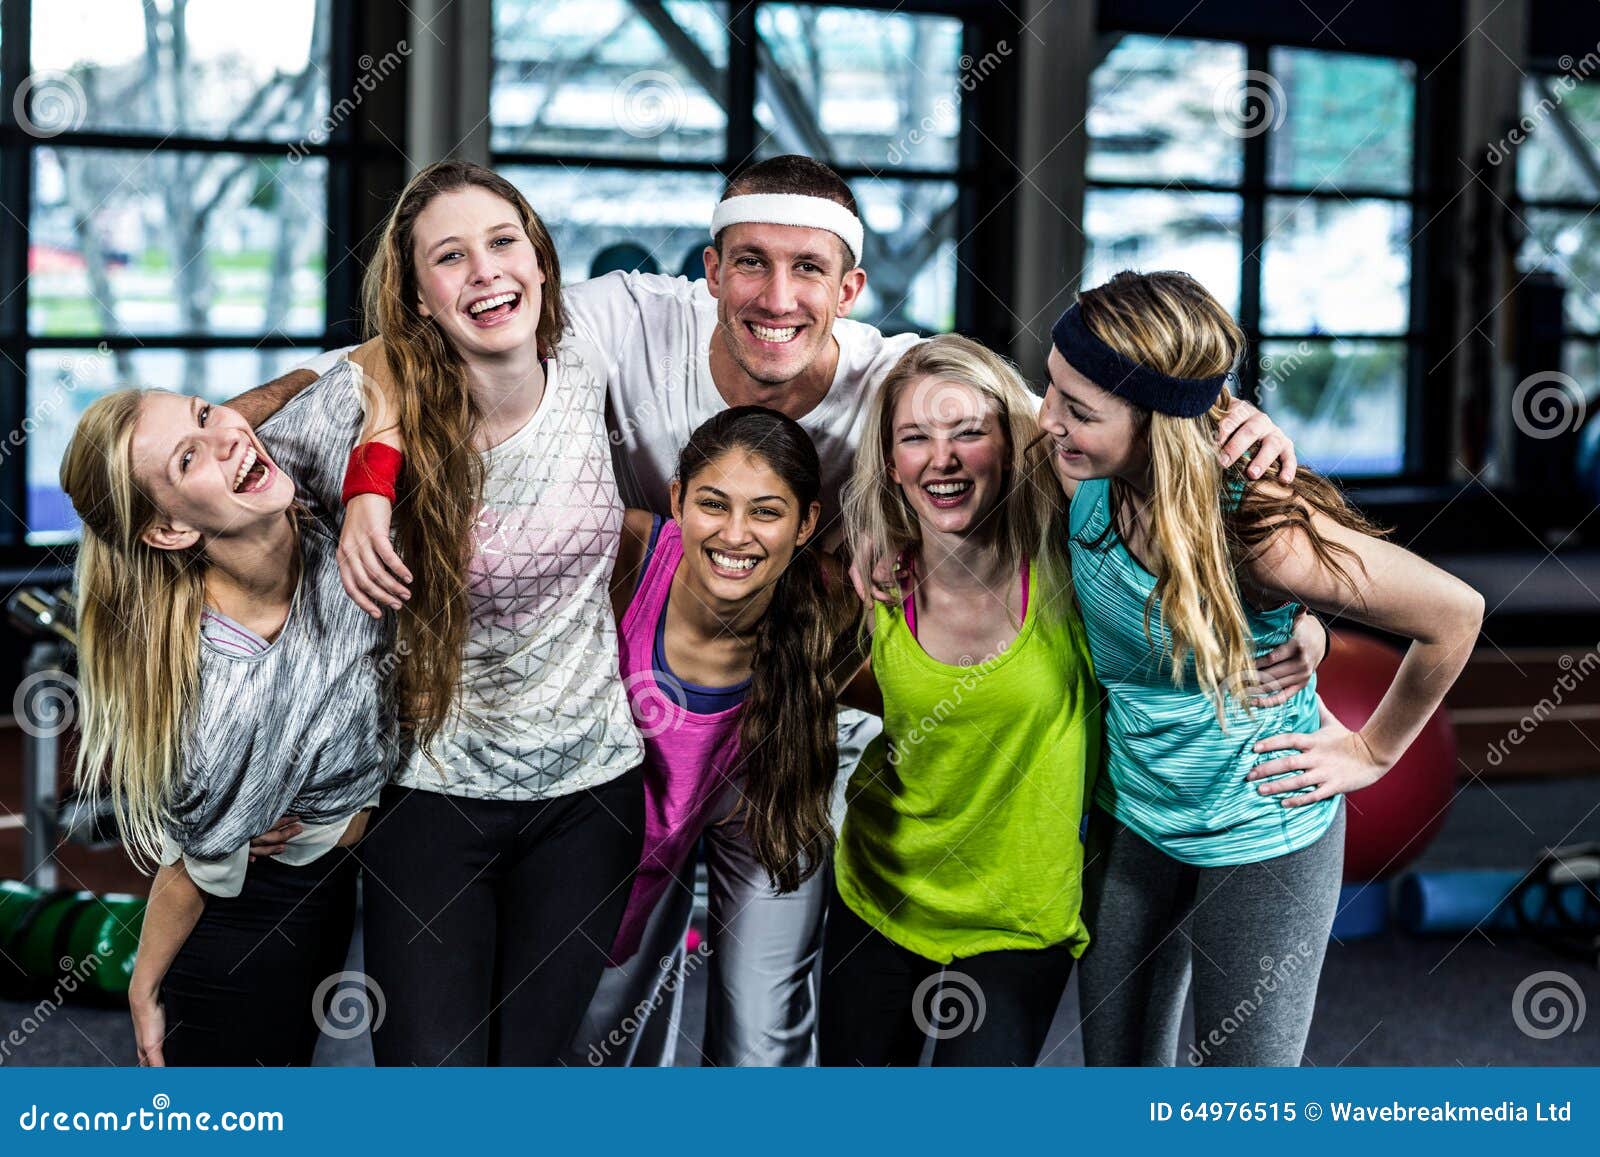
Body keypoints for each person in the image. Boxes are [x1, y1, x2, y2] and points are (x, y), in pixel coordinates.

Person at [334, 154, 1315, 1066]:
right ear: (709, 271)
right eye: (751, 264)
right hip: (635, 738)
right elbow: (403, 348)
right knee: (605, 1013)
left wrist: (1223, 428)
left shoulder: (907, 376)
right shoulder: (624, 320)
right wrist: (365, 477)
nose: (776, 294)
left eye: (809, 268)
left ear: (850, 291)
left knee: (763, 1031)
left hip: (791, 744)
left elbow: (1094, 425)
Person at [1037, 270, 1484, 1066]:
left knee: (1243, 1098)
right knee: (1118, 1075)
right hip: (1134, 811)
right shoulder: (1078, 473)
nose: (1047, 420)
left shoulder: (1261, 527)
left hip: (1262, 823)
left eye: (1076, 409)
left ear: (1157, 425)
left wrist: (1372, 751)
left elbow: (1456, 613)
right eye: (1050, 389)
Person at [350, 159, 645, 1065]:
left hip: (591, 792)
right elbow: (226, 438)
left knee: (529, 1080)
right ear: (419, 299)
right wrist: (369, 477)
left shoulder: (590, 365)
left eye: (503, 242)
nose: (485, 271)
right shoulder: (376, 399)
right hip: (434, 795)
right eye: (450, 257)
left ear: (542, 261)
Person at [60, 364, 392, 1066]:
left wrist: (254, 418)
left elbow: (363, 366)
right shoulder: (219, 703)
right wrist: (144, 983)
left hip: (335, 896)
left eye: (205, 410)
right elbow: (192, 872)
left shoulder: (284, 468)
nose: (228, 441)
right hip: (245, 927)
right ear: (171, 529)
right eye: (187, 457)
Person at [822, 334, 1097, 1066]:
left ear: (1012, 441)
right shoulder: (874, 580)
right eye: (916, 437)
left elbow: (1177, 472)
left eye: (969, 432)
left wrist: (1306, 634)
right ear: (891, 462)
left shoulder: (1075, 561)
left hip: (1017, 915)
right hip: (881, 891)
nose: (942, 459)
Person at [571, 407, 860, 1066]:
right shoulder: (623, 555)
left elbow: (923, 684)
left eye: (766, 511)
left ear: (806, 523)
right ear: (677, 499)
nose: (735, 534)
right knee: (588, 1034)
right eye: (712, 503)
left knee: (762, 1040)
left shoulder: (830, 602)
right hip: (640, 811)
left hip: (762, 792)